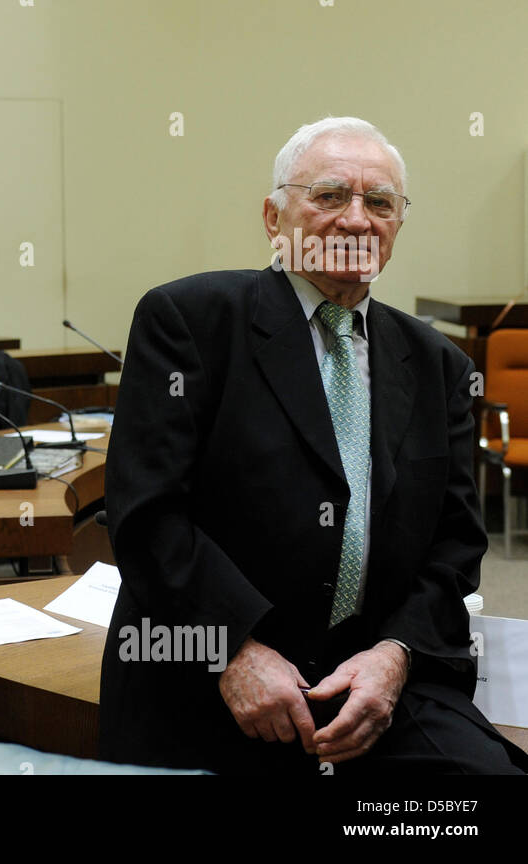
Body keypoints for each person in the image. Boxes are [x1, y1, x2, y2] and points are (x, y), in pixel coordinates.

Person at [99, 116, 527, 774]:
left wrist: (394, 658)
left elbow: (456, 544)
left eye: (379, 202)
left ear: (397, 227)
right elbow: (148, 515)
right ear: (274, 218)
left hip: (372, 680)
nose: (357, 220)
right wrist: (236, 651)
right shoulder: (189, 322)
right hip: (212, 671)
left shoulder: (434, 362)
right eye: (329, 196)